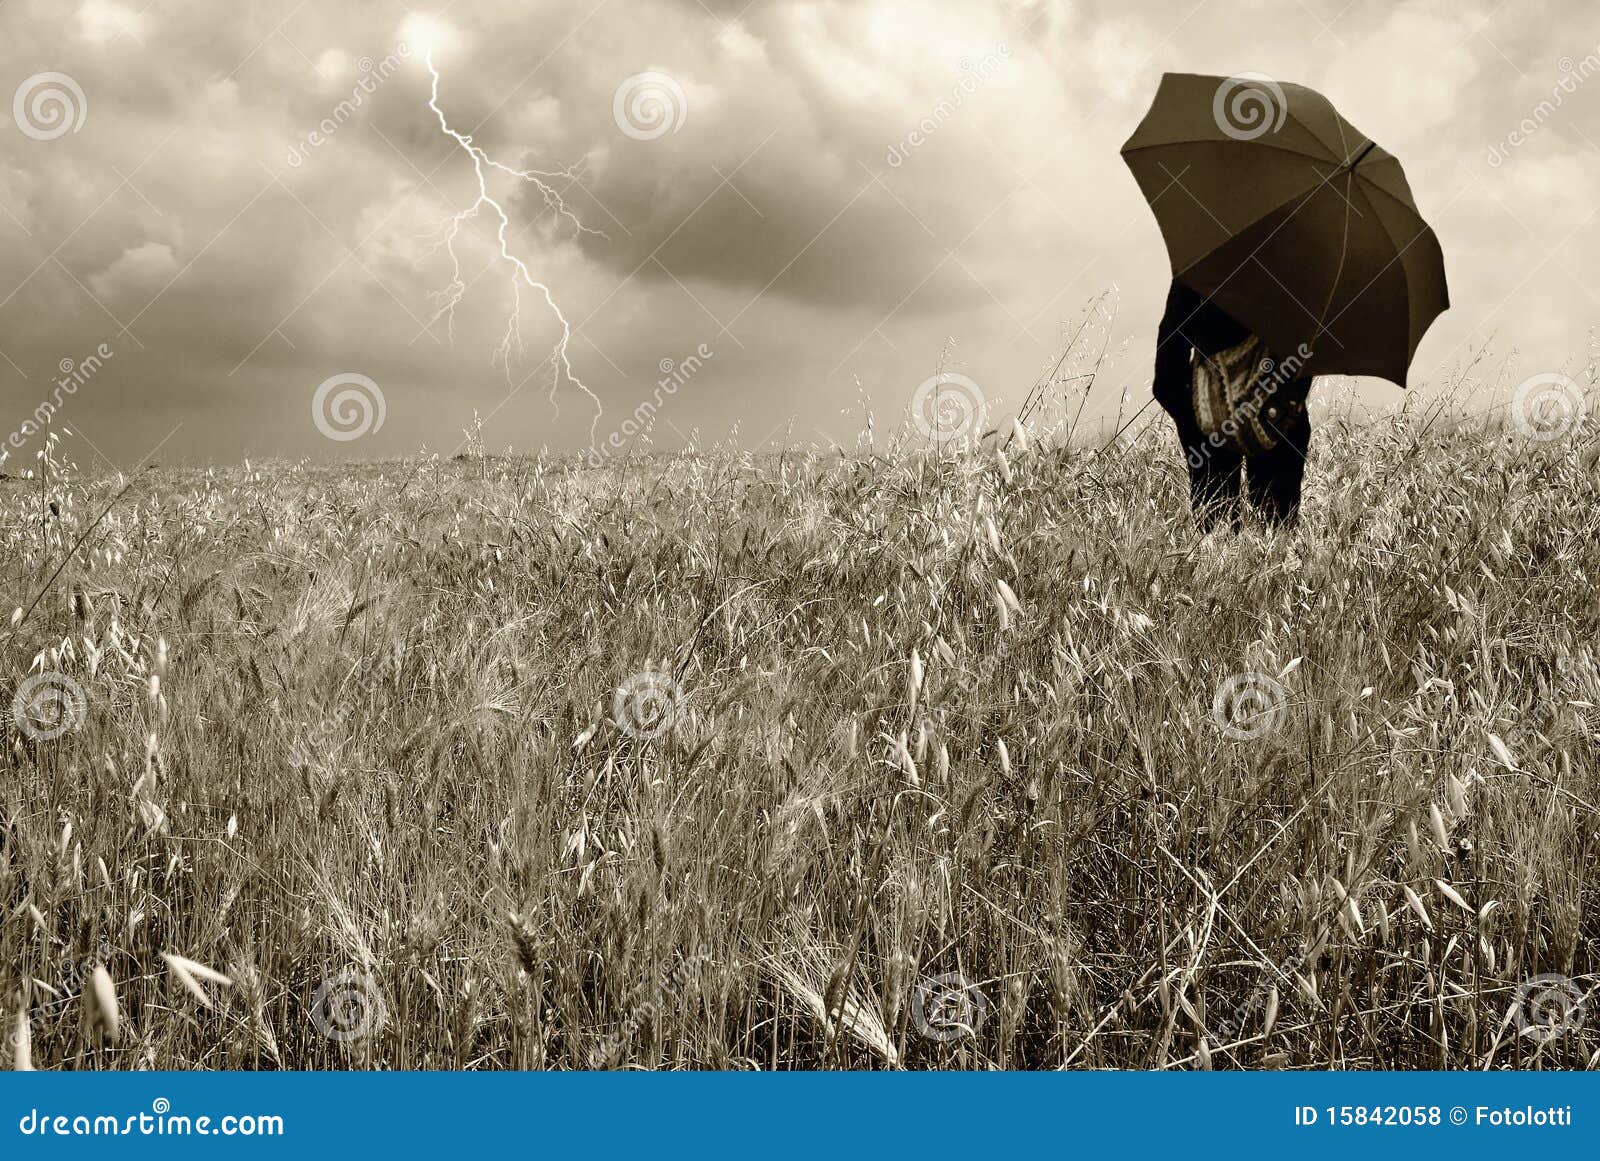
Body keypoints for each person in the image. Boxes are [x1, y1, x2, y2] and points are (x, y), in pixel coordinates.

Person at [1152, 279, 1315, 530]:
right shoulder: (1306, 267)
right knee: (1275, 546)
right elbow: (1311, 354)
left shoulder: (1204, 260)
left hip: (1210, 426)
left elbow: (1166, 380)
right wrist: (1282, 410)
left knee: (1216, 544)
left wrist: (1201, 421)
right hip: (1281, 420)